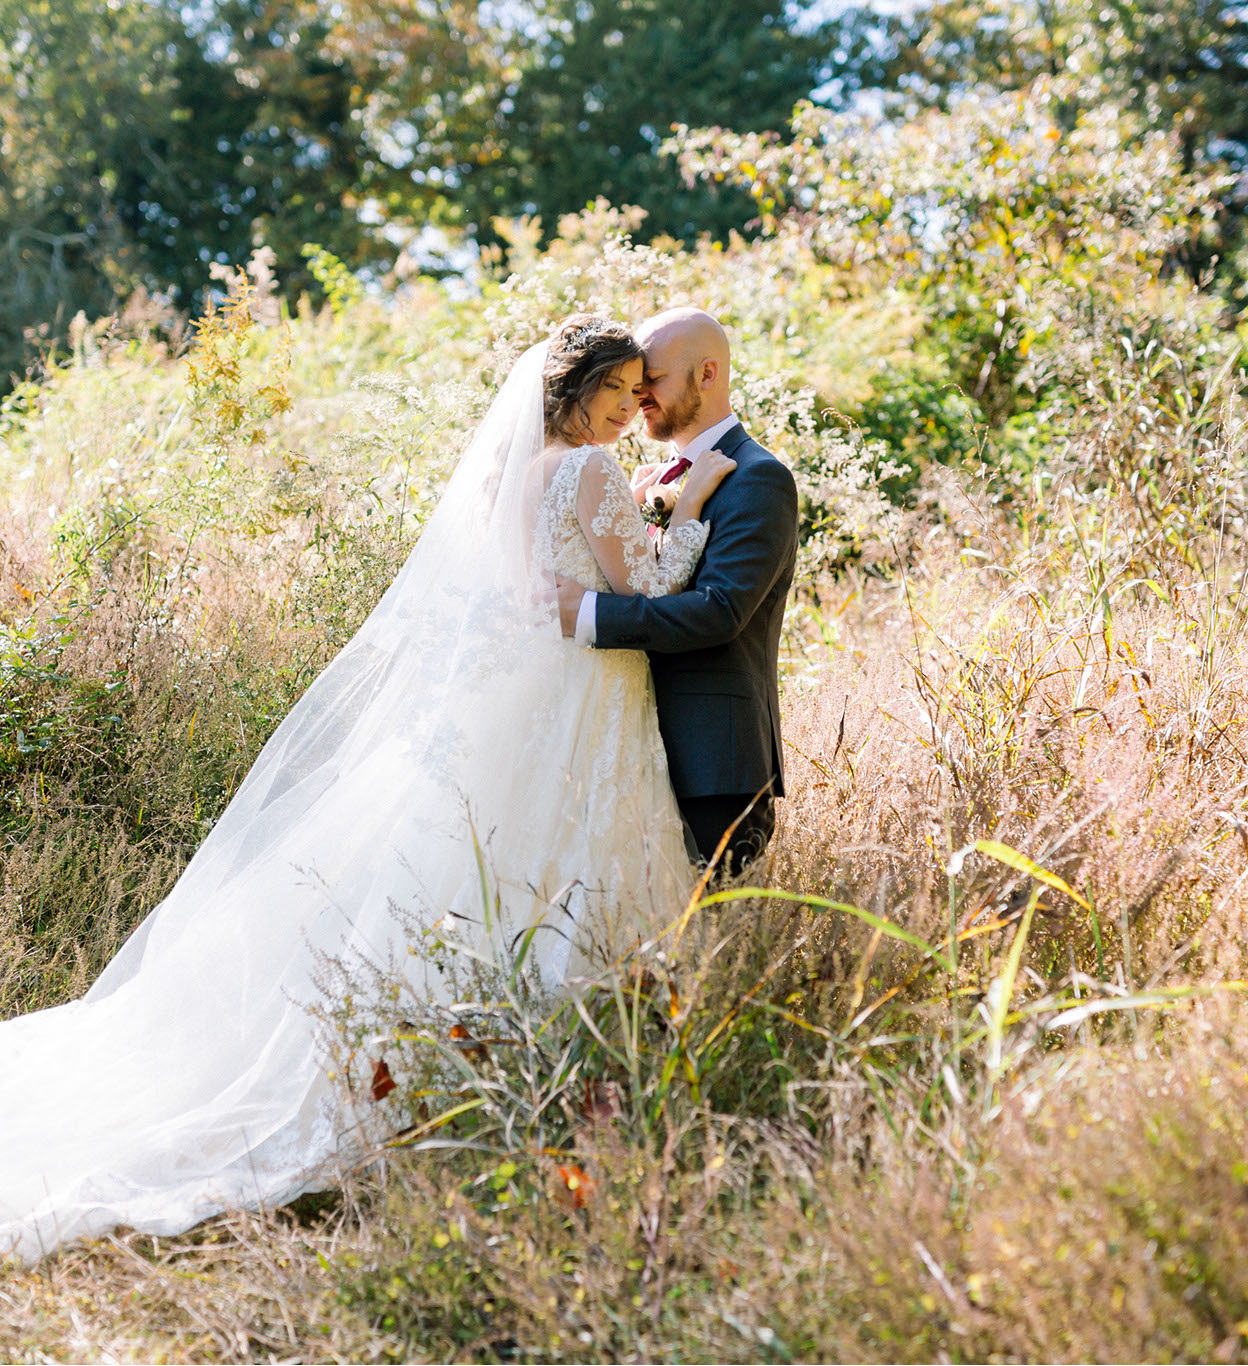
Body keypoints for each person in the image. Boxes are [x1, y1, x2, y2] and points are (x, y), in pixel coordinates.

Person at [0, 315, 734, 1263]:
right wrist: (694, 500)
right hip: (583, 692)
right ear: (583, 390)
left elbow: (534, 587)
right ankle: (563, 1067)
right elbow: (653, 584)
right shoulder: (591, 471)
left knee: (493, 865)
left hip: (523, 686)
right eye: (622, 390)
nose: (635, 410)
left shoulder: (518, 471)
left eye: (644, 389)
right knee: (562, 857)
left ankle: (487, 1057)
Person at [558, 307, 798, 871]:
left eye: (653, 381)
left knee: (715, 940)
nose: (639, 396)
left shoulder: (756, 476)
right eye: (633, 384)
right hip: (627, 747)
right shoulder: (650, 478)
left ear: (707, 374)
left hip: (713, 763)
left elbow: (720, 611)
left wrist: (588, 614)